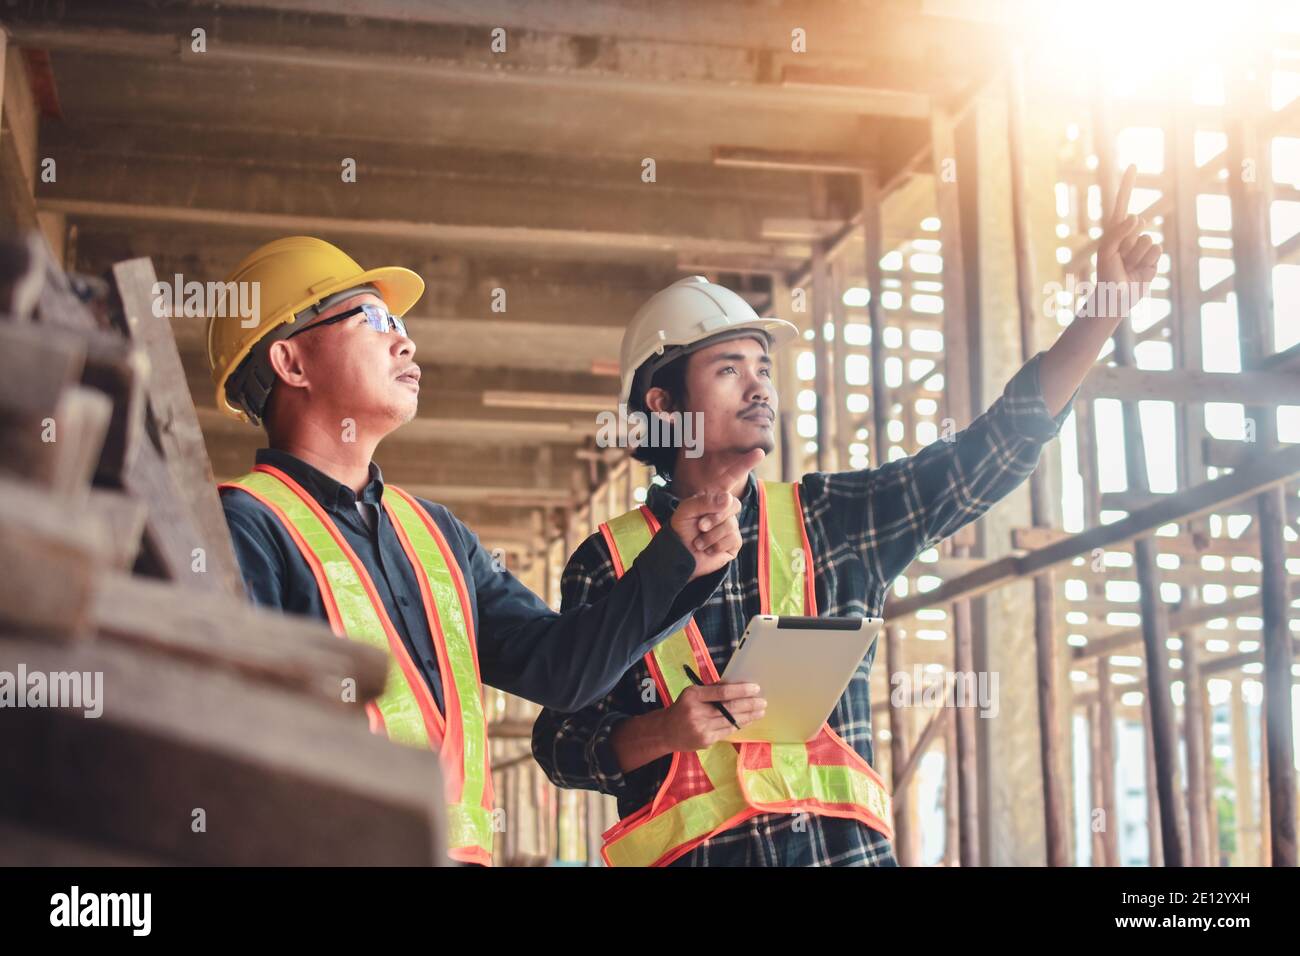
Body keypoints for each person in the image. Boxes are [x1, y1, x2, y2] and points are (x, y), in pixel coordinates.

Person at [532, 166, 1162, 866]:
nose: (759, 387)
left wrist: (1100, 314)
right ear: (662, 402)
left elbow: (989, 452)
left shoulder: (831, 521)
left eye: (764, 368)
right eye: (729, 369)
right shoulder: (608, 561)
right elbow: (561, 741)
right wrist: (662, 732)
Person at [206, 236, 750, 864]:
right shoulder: (243, 527)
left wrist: (676, 559)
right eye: (374, 320)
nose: (404, 341)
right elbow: (233, 752)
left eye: (401, 324)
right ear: (291, 363)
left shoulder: (435, 534)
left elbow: (561, 670)